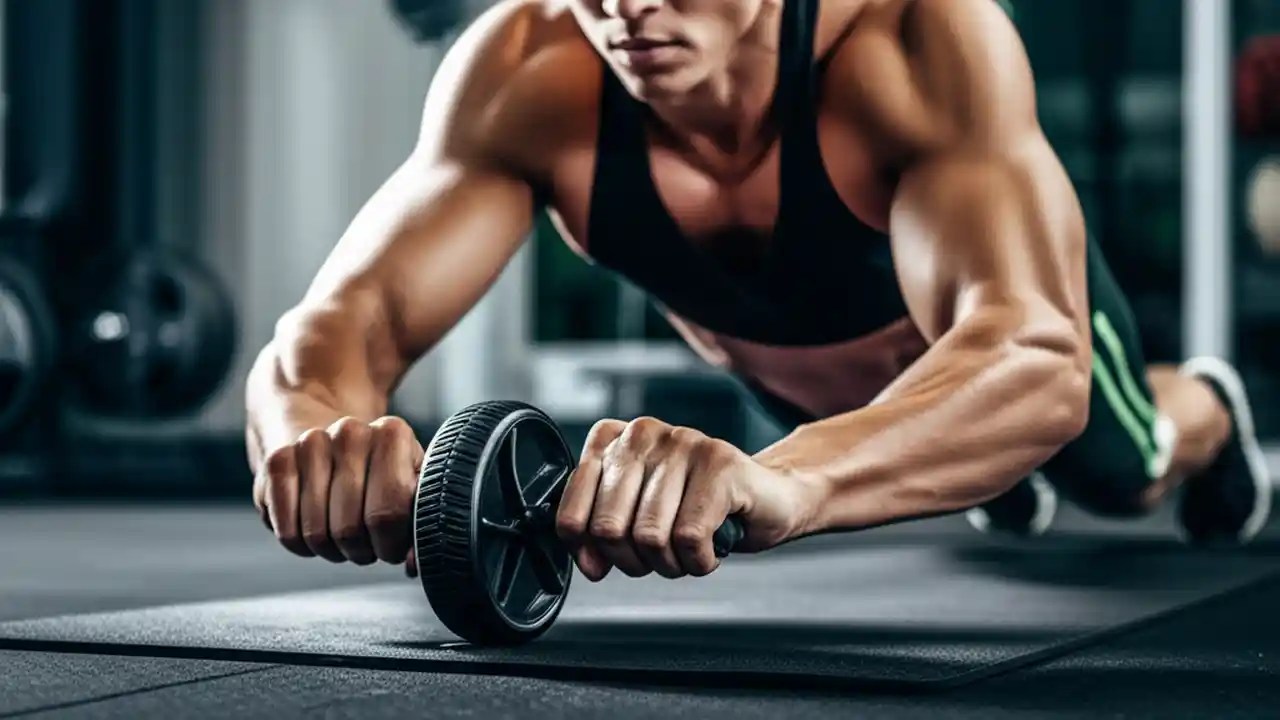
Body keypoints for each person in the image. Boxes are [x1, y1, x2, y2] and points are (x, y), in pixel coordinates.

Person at [245, 0, 1272, 583]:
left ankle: (1209, 415)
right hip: (792, 381)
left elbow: (1028, 360)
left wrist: (791, 485)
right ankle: (982, 478)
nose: (623, 7)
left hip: (986, 352)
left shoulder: (912, 41)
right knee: (956, 469)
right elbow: (344, 324)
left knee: (1119, 474)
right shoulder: (524, 70)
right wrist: (314, 433)